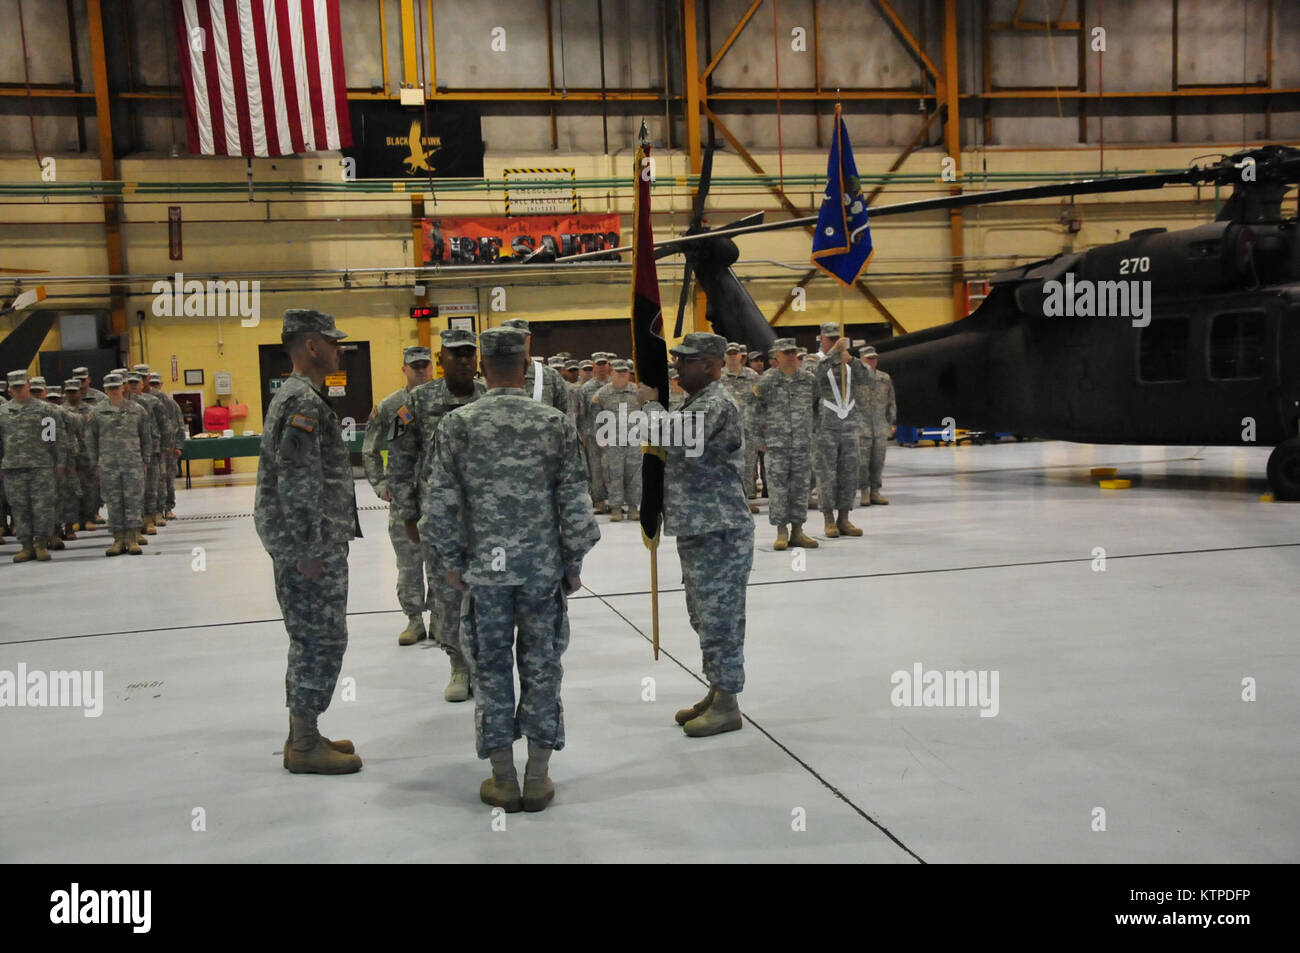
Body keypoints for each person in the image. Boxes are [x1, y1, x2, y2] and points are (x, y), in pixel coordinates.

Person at [423, 326, 599, 813]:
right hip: (541, 573)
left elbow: (438, 505)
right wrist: (573, 563)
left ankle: (503, 779)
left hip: (484, 574)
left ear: (482, 366)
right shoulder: (554, 423)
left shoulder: (457, 424)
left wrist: (452, 566)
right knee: (543, 668)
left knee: (492, 670)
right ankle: (538, 778)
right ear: (526, 365)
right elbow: (576, 503)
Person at [253, 309, 362, 775]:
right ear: (312, 346)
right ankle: (302, 742)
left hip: (312, 539)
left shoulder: (301, 396)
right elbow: (296, 482)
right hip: (309, 544)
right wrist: (308, 550)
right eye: (332, 342)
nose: (339, 349)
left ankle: (307, 730)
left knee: (315, 636)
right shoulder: (302, 402)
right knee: (320, 638)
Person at [635, 332, 754, 737]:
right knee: (703, 614)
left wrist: (650, 405)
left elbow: (673, 434)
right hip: (700, 527)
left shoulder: (717, 404)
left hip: (718, 529)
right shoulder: (698, 402)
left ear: (709, 364)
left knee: (720, 617)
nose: (677, 367)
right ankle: (718, 689)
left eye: (686, 361)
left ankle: (727, 704)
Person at [386, 328, 485, 701]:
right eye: (455, 353)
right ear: (440, 358)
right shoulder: (416, 401)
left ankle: (486, 668)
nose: (463, 359)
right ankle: (458, 666)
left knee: (488, 596)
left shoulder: (490, 399)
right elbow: (399, 458)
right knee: (447, 594)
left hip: (486, 520)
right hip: (440, 520)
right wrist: (408, 512)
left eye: (468, 353)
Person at [363, 345, 439, 646]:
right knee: (408, 563)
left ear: (432, 367)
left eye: (425, 365)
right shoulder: (391, 406)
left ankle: (440, 620)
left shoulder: (445, 403)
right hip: (404, 498)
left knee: (439, 560)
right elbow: (369, 447)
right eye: (414, 365)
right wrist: (380, 483)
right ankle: (414, 620)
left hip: (438, 497)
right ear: (404, 368)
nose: (420, 370)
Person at [752, 338, 819, 551]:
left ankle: (798, 531)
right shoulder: (766, 381)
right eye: (786, 352)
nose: (790, 356)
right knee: (778, 489)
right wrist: (758, 440)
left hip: (801, 444)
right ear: (776, 356)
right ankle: (781, 531)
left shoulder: (809, 380)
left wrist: (813, 431)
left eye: (793, 352)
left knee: (800, 488)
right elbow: (752, 410)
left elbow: (819, 406)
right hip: (776, 445)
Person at [1, 370, 63, 562]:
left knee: (42, 507)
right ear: (9, 389)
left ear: (28, 385)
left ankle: (42, 544)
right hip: (13, 467)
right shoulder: (3, 412)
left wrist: (58, 463)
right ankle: (26, 546)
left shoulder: (46, 410)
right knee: (19, 507)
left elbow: (55, 439)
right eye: (15, 387)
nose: (19, 390)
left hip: (40, 466)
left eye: (22, 386)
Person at [86, 373, 148, 556]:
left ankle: (132, 538)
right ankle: (118, 539)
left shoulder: (137, 410)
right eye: (110, 388)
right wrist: (95, 462)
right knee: (113, 502)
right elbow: (90, 439)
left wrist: (145, 460)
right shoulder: (97, 412)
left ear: (123, 387)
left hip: (132, 463)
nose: (114, 391)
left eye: (116, 387)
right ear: (105, 390)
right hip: (108, 464)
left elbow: (146, 437)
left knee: (133, 501)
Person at [811, 324, 862, 539]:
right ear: (821, 338)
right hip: (825, 428)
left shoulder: (847, 361)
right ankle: (828, 518)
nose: (833, 342)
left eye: (836, 338)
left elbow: (867, 378)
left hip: (849, 426)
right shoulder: (815, 360)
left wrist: (851, 360)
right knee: (827, 474)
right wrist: (832, 354)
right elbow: (812, 377)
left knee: (849, 474)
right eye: (829, 339)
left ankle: (844, 517)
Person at [591, 358, 642, 522]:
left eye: (624, 373)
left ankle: (633, 507)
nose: (621, 376)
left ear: (629, 375)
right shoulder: (603, 394)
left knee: (634, 475)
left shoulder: (638, 391)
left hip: (634, 441)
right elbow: (596, 418)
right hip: (612, 443)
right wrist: (600, 439)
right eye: (618, 373)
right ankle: (616, 507)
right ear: (611, 373)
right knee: (613, 475)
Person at [719, 342, 761, 513]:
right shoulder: (719, 377)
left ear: (741, 356)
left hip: (748, 428)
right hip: (726, 431)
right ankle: (727, 500)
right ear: (724, 356)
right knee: (726, 465)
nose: (732, 356)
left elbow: (760, 400)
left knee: (748, 465)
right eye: (729, 353)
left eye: (735, 353)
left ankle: (745, 499)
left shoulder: (752, 376)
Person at [854, 346, 897, 506]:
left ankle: (875, 491)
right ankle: (864, 490)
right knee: (862, 462)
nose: (872, 362)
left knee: (878, 461)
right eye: (868, 359)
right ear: (861, 360)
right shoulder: (855, 379)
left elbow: (891, 402)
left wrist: (892, 422)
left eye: (874, 358)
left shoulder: (884, 378)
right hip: (861, 428)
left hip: (880, 427)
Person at [501, 318, 570, 416]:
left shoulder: (551, 377)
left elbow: (566, 419)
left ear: (528, 338)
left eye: (520, 338)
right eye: (510, 338)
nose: (516, 343)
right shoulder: (495, 377)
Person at [577, 352, 613, 512]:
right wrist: (582, 435)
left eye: (604, 364)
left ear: (609, 365)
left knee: (614, 468)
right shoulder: (585, 389)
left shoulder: (615, 386)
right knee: (596, 469)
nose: (601, 368)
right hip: (593, 435)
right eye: (598, 364)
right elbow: (581, 413)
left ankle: (615, 501)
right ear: (593, 366)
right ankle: (599, 501)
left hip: (614, 435)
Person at [149, 372, 185, 519]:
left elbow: (180, 425)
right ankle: (156, 510)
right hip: (154, 448)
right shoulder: (145, 403)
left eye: (156, 385)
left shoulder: (170, 404)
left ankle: (168, 507)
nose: (154, 388)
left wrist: (178, 446)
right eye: (151, 385)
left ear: (161, 385)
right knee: (155, 480)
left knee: (168, 479)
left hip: (168, 448)